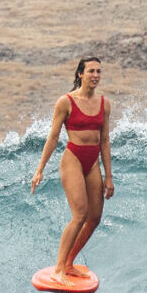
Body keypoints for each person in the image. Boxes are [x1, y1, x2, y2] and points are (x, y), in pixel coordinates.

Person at [31, 56, 112, 279]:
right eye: (91, 71)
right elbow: (53, 137)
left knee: (94, 218)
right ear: (80, 74)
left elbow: (104, 141)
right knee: (80, 215)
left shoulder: (104, 104)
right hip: (73, 159)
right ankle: (59, 269)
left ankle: (69, 263)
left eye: (98, 71)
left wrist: (109, 177)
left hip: (93, 161)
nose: (95, 75)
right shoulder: (65, 102)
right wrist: (40, 169)